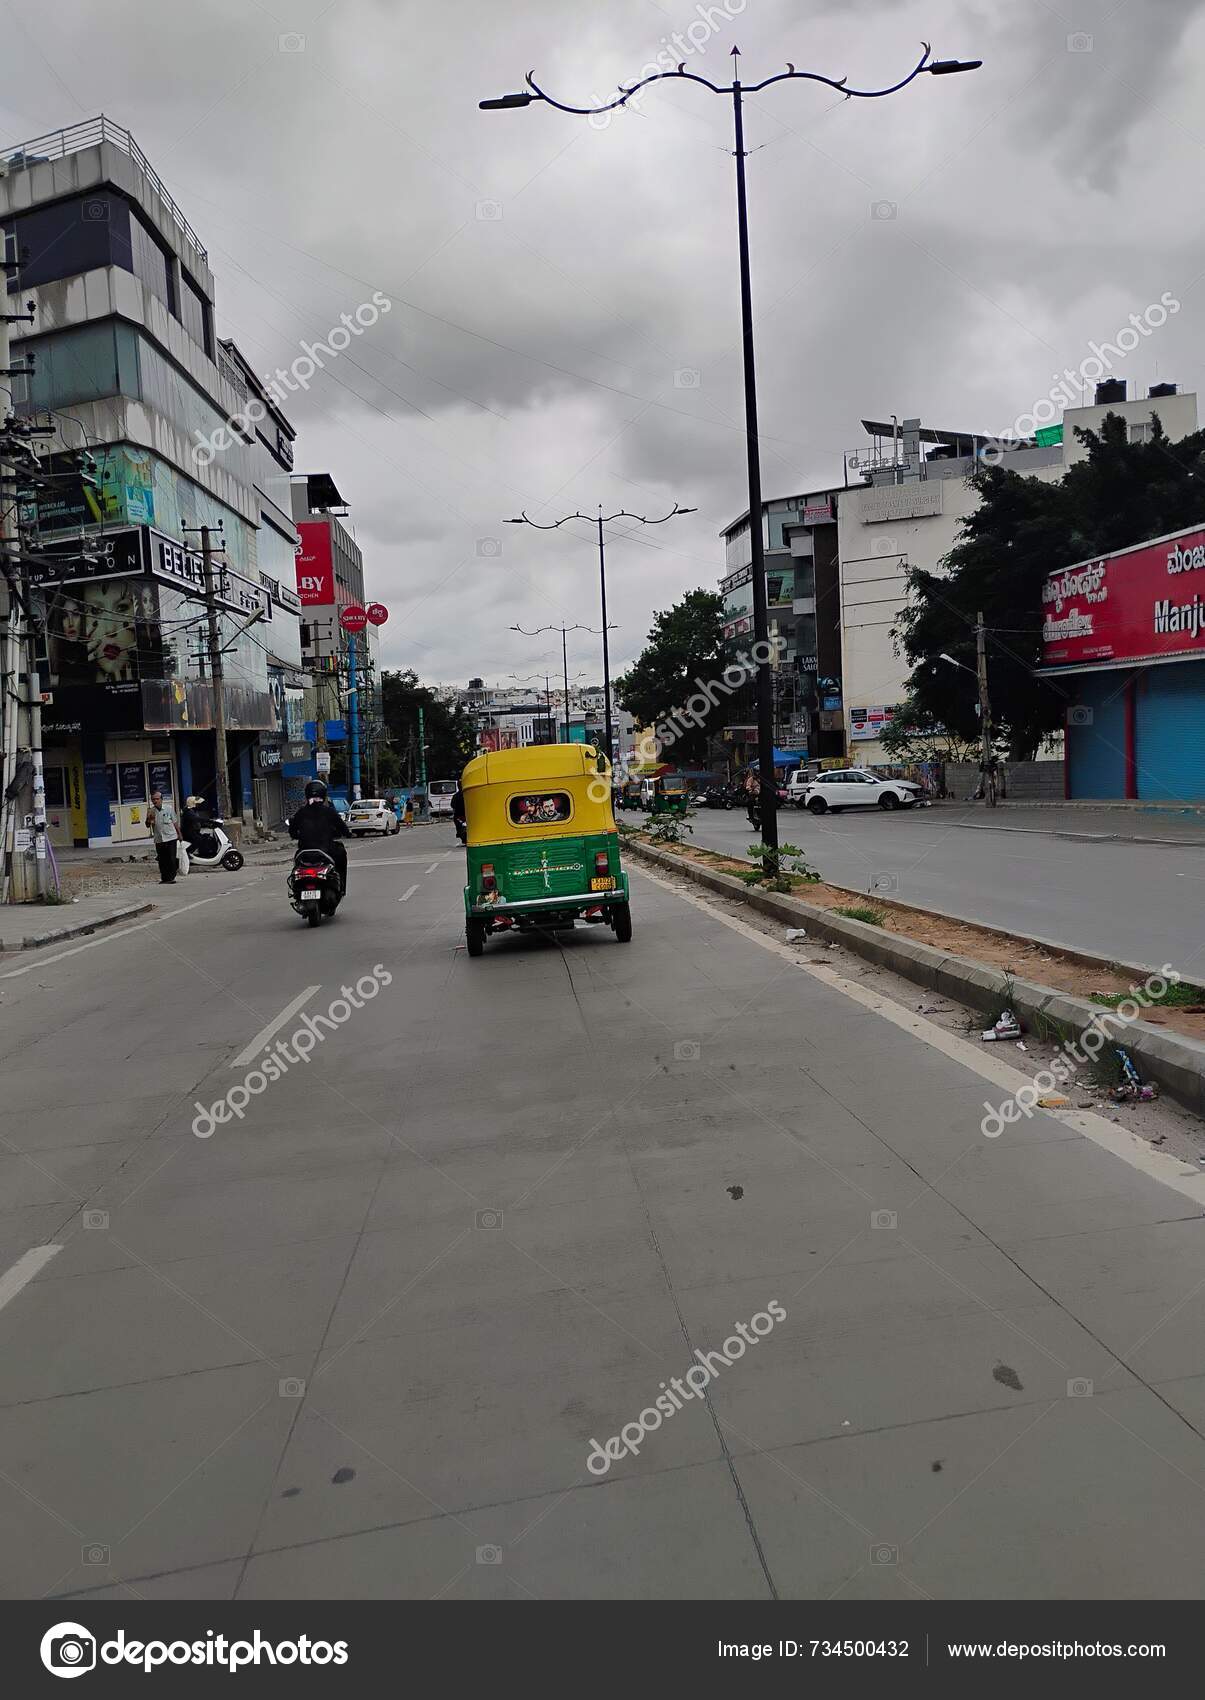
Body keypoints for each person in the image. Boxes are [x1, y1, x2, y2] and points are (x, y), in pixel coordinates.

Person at [288, 779, 350, 894]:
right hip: (326, 851)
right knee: (341, 854)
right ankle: (341, 889)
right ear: (324, 795)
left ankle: (296, 891)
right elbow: (344, 829)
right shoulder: (329, 812)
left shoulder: (301, 813)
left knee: (296, 863)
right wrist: (346, 833)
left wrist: (298, 836)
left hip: (304, 852)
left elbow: (292, 831)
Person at [146, 790, 182, 884]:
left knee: (171, 858)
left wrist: (179, 834)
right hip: (159, 838)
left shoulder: (168, 808)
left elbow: (175, 822)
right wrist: (149, 820)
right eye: (153, 799)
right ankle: (164, 878)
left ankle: (171, 877)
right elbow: (147, 825)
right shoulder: (151, 811)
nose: (155, 801)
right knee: (162, 859)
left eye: (157, 799)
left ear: (161, 799)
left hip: (170, 837)